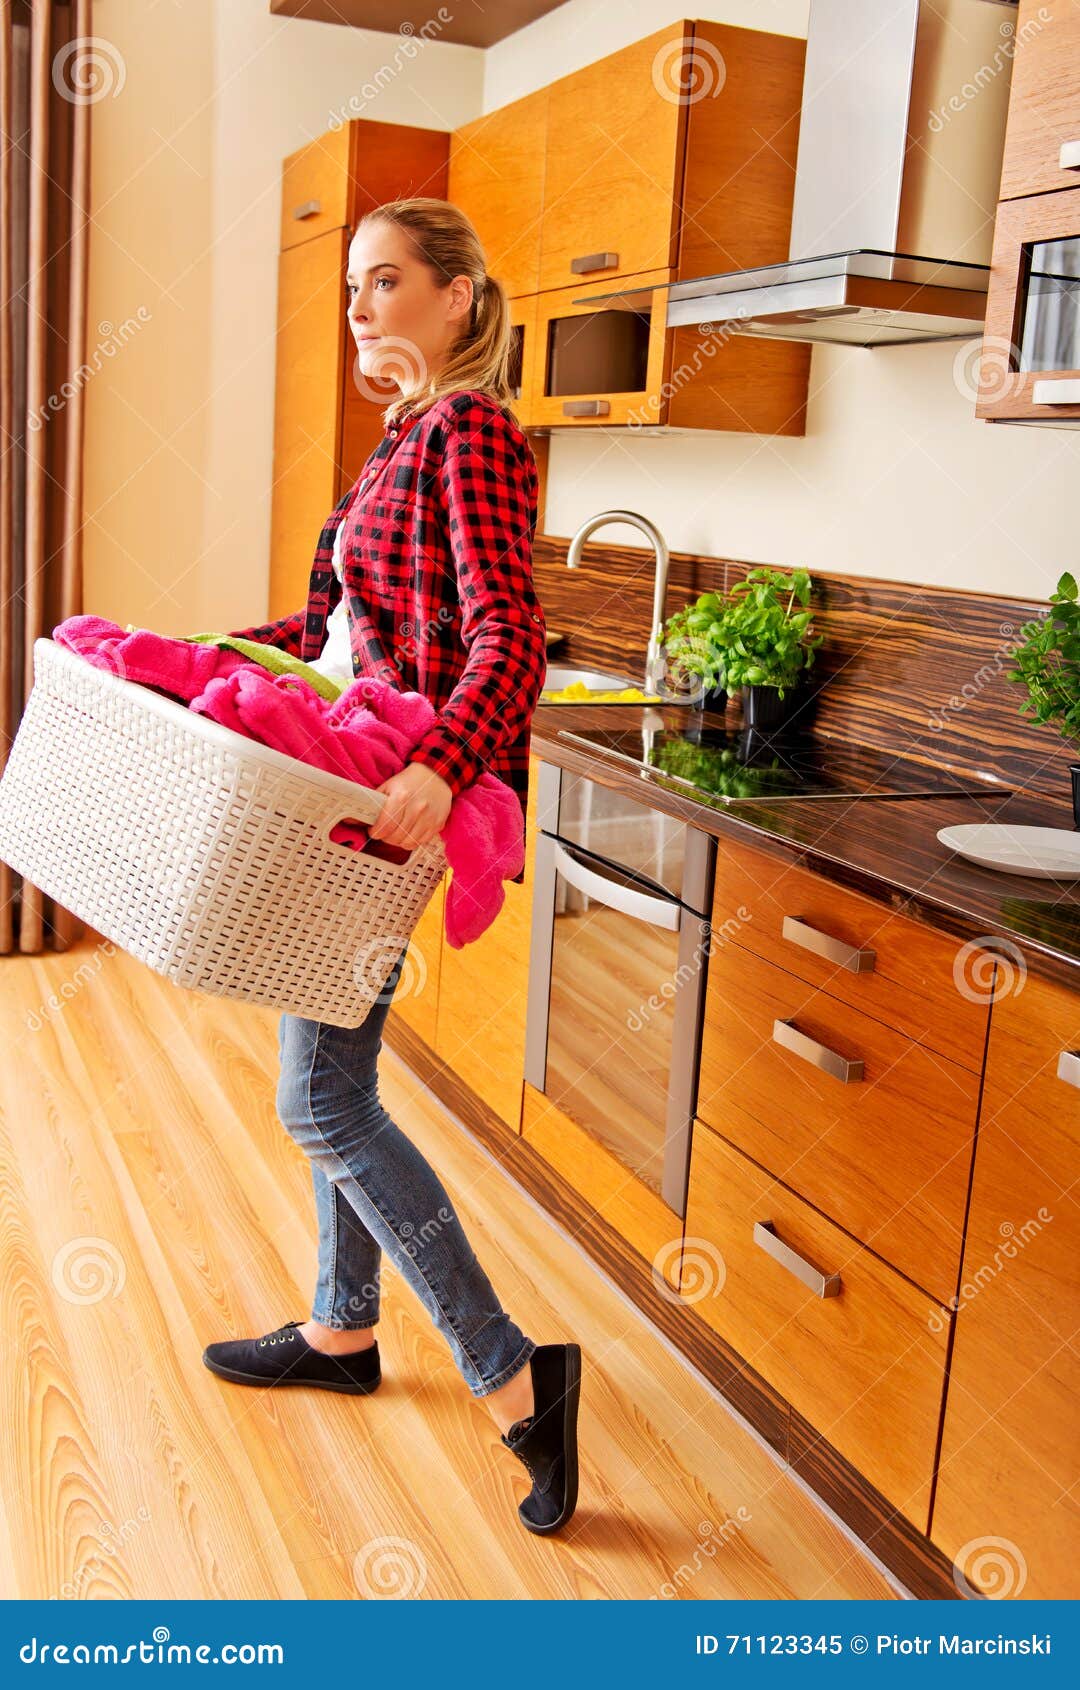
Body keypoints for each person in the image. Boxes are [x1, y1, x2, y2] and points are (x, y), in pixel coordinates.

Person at [200, 197, 581, 1537]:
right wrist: (182, 661)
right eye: (354, 284)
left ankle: (512, 1368)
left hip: (396, 805)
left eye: (390, 280)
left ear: (463, 299)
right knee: (335, 1076)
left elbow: (512, 636)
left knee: (319, 1101)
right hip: (351, 799)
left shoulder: (472, 431)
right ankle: (343, 1329)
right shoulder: (397, 448)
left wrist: (448, 762)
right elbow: (321, 636)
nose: (362, 305)